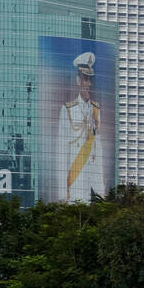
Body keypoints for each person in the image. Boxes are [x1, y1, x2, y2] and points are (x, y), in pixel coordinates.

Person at [55, 51, 105, 203]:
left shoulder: (96, 110)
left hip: (93, 182)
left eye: (90, 80)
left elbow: (99, 151)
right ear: (78, 80)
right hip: (75, 179)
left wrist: (102, 192)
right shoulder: (68, 110)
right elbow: (61, 152)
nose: (88, 84)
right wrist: (62, 193)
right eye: (85, 79)